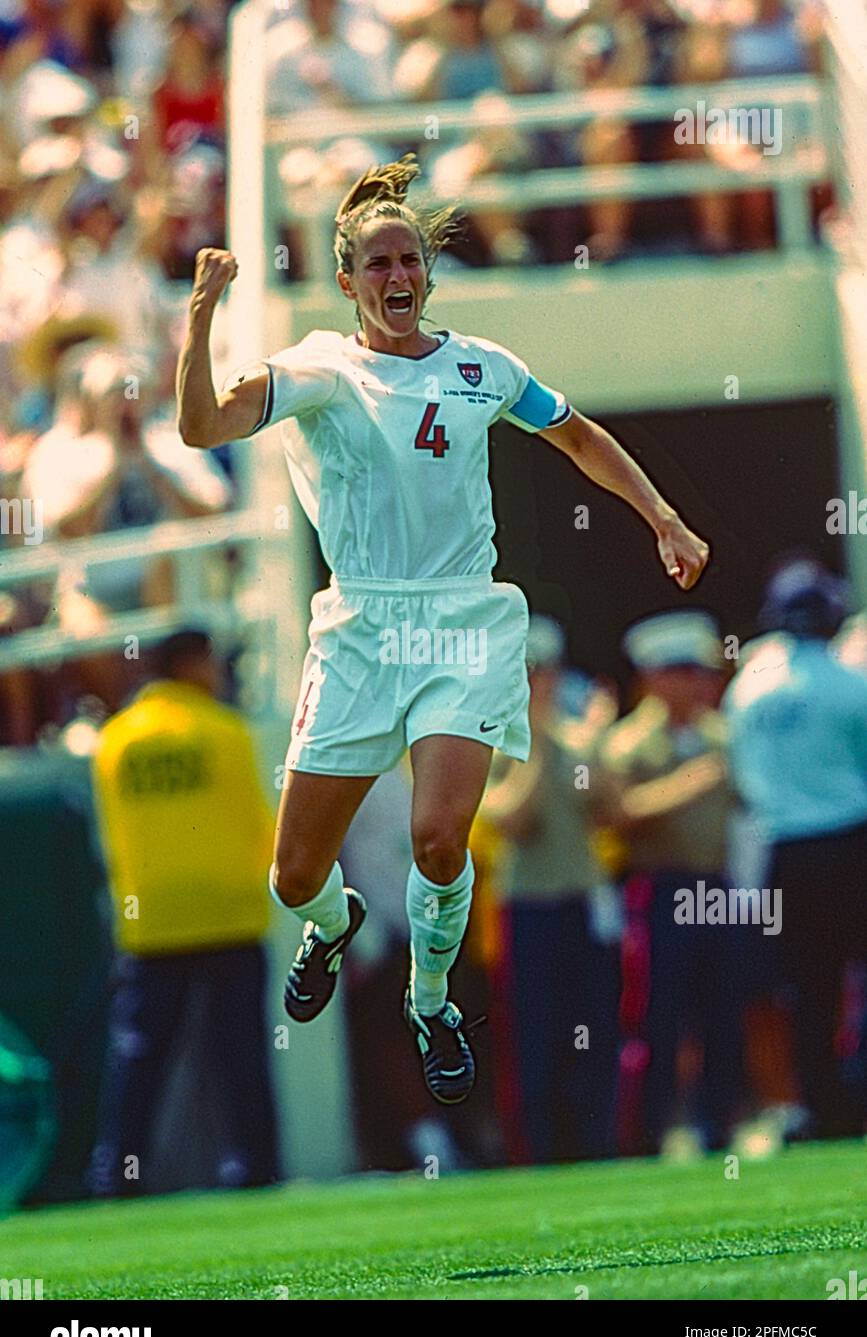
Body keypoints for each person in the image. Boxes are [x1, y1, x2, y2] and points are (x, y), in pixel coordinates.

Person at [175, 153, 709, 1106]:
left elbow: (577, 433)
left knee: (436, 840)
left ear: (428, 271)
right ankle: (333, 925)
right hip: (360, 630)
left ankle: (432, 1002)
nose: (396, 279)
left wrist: (661, 516)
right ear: (346, 282)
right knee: (294, 876)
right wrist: (201, 314)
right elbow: (203, 427)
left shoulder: (481, 367)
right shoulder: (318, 370)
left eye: (408, 261)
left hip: (463, 620)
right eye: (376, 266)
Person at [89, 629, 279, 1196]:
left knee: (140, 1059)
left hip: (153, 922)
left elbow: (112, 837)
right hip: (228, 914)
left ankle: (118, 1173)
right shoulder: (225, 732)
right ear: (191, 663)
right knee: (241, 1056)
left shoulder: (116, 741)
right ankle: (256, 1167)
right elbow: (258, 824)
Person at [725, 559, 867, 1139]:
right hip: (850, 839)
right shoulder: (848, 683)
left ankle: (820, 1104)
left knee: (807, 986)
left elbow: (739, 778)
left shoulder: (747, 688)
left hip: (783, 851)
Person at [479, 615, 621, 1161]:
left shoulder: (578, 740)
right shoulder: (493, 748)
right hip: (528, 906)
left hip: (581, 901)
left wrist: (594, 740)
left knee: (593, 1027)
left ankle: (597, 1142)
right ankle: (536, 1150)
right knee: (532, 1036)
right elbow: (514, 819)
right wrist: (538, 741)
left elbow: (610, 812)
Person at [601, 610, 742, 1153]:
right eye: (681, 671)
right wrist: (689, 783)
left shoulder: (720, 735)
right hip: (661, 891)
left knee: (723, 1014)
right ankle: (647, 1135)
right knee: (655, 1018)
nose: (696, 683)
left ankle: (719, 1128)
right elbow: (616, 815)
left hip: (716, 887)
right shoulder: (629, 745)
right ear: (653, 677)